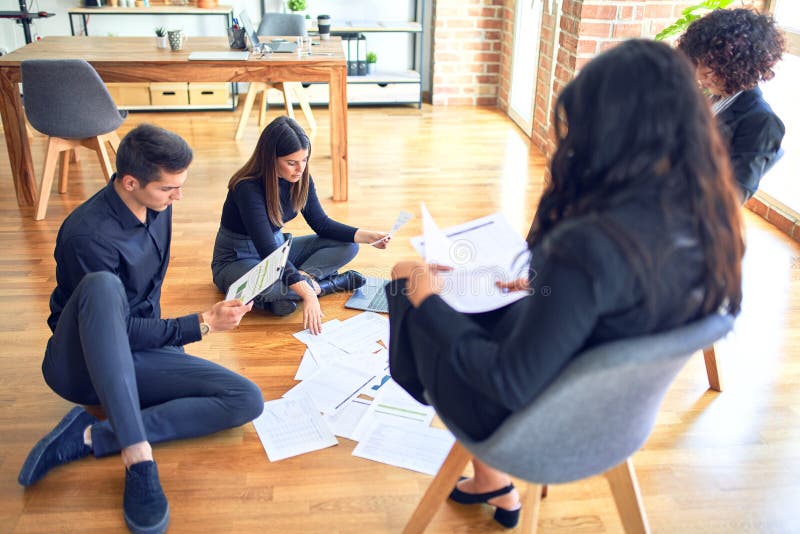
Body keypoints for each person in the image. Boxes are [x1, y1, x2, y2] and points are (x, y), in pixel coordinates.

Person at [386, 39, 745, 528]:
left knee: (405, 289)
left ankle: (489, 469)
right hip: (616, 415)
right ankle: (490, 481)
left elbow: (507, 382)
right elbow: (611, 302)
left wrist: (427, 300)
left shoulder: (590, 244)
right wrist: (541, 286)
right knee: (482, 300)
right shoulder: (709, 220)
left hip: (533, 422)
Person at [17, 124, 265, 534]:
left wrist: (177, 343)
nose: (178, 196)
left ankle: (90, 438)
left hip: (138, 347)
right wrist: (200, 325)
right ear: (130, 182)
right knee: (102, 285)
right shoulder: (86, 235)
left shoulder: (157, 207)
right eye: (169, 189)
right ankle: (138, 457)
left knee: (246, 398)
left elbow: (146, 305)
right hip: (81, 362)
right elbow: (110, 328)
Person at [212, 116, 390, 335]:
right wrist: (307, 293)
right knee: (273, 286)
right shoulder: (247, 188)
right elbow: (267, 251)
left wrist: (367, 236)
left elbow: (321, 224)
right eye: (291, 162)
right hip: (238, 259)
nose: (300, 169)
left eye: (304, 160)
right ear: (271, 159)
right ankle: (330, 285)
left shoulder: (301, 177)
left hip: (279, 250)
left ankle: (285, 295)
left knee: (348, 245)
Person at [678, 8, 786, 202]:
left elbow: (733, 197)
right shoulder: (711, 98)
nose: (701, 74)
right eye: (700, 62)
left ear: (738, 67)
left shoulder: (761, 122)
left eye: (713, 67)